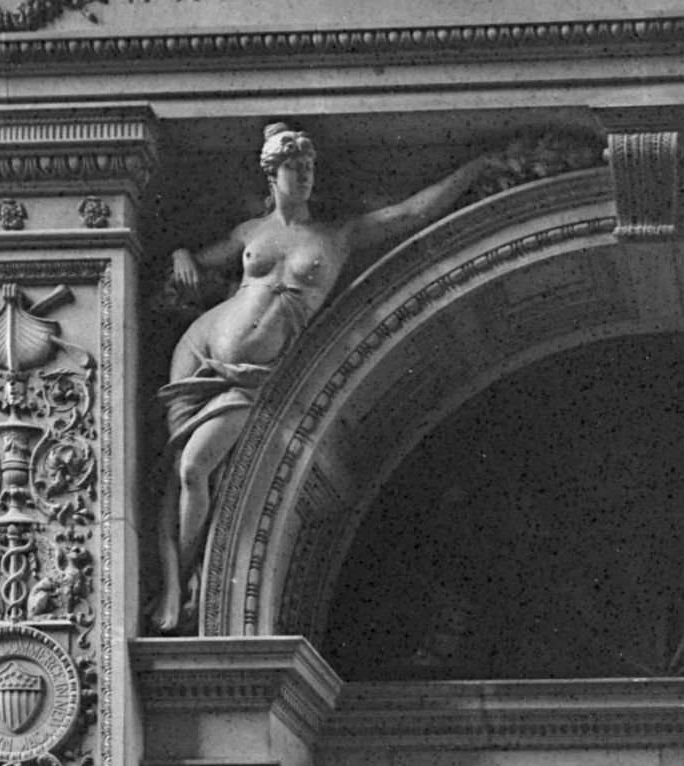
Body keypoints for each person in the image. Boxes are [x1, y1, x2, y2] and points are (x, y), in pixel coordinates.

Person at [150, 121, 524, 632]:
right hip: (198, 346)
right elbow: (193, 261)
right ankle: (176, 584)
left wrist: (478, 167)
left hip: (253, 377)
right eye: (293, 167)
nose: (303, 176)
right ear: (271, 173)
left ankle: (193, 576)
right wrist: (177, 255)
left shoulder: (337, 234)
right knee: (176, 474)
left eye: (308, 167)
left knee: (195, 468)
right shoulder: (249, 234)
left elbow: (413, 211)